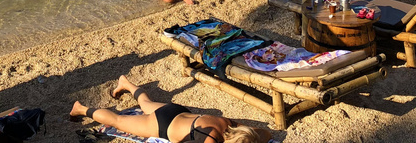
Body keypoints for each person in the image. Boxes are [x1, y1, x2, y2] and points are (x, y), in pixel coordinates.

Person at [70, 75, 268, 143]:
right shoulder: (211, 139)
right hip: (161, 125)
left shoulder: (229, 125)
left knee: (146, 103)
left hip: (178, 111)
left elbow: (264, 133)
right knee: (117, 121)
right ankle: (80, 108)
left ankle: (126, 84)